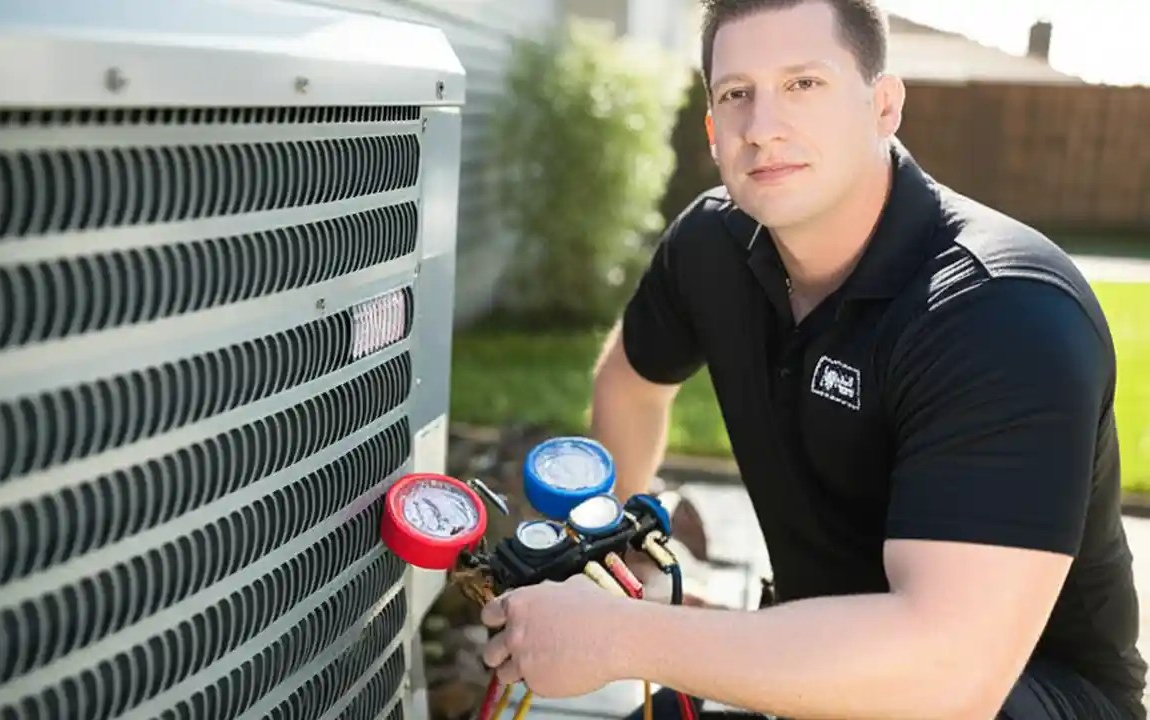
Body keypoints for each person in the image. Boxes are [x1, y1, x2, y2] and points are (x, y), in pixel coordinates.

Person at [477, 0, 1148, 718]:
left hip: (1016, 696)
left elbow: (949, 677)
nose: (763, 127)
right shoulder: (712, 247)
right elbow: (631, 383)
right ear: (711, 130)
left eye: (804, 84)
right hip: (827, 668)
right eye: (737, 94)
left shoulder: (1002, 312)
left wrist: (628, 636)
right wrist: (623, 558)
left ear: (883, 104)